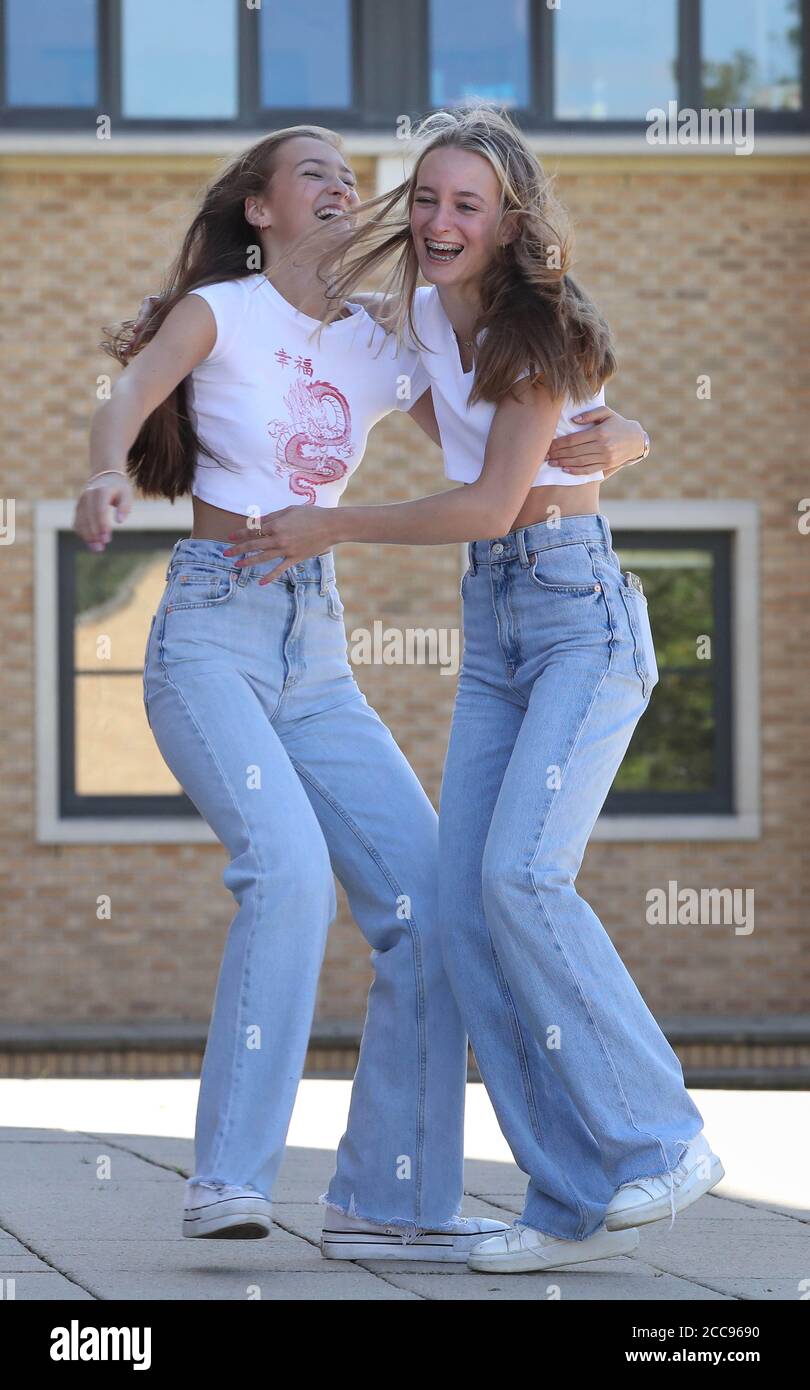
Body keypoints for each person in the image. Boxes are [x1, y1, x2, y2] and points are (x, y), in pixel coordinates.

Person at [222, 103, 724, 1275]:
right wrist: (182, 320)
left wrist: (326, 524)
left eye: (470, 205)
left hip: (577, 619)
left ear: (508, 225)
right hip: (495, 624)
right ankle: (564, 1194)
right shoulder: (420, 319)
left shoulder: (535, 326)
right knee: (454, 909)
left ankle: (663, 1134)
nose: (444, 220)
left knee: (520, 873)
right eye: (431, 199)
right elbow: (292, 292)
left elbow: (496, 504)